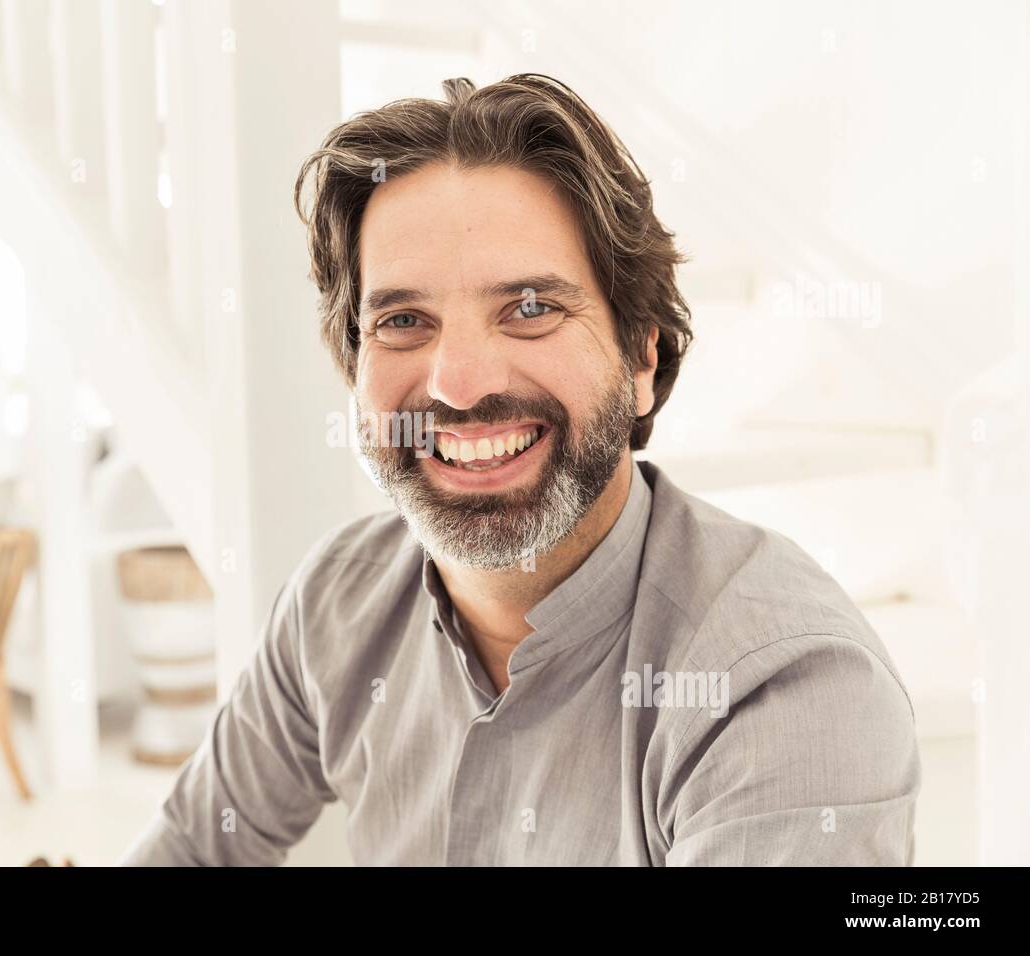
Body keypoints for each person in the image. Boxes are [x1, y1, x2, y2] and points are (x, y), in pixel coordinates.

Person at [121, 74, 920, 866]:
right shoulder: (339, 601)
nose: (458, 384)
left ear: (641, 356)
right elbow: (192, 848)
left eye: (531, 308)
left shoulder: (784, 693)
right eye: (403, 321)